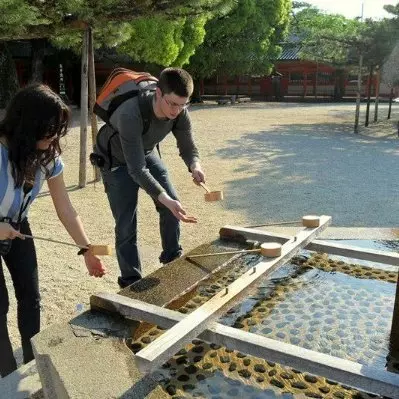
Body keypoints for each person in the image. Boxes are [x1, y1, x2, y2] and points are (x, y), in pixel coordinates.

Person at [0, 83, 106, 378]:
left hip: (17, 226)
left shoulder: (48, 157)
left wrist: (88, 250)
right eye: (50, 129)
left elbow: (66, 210)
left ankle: (32, 367)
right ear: (27, 124)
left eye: (59, 128)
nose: (55, 136)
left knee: (31, 298)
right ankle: (8, 377)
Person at [97, 68, 204, 289]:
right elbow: (136, 170)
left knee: (173, 205)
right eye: (172, 104)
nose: (176, 110)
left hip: (144, 151)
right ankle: (131, 281)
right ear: (158, 93)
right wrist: (163, 198)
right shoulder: (130, 113)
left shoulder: (180, 111)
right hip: (115, 161)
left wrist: (195, 166)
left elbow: (187, 147)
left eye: (182, 104)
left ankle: (172, 260)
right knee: (126, 222)